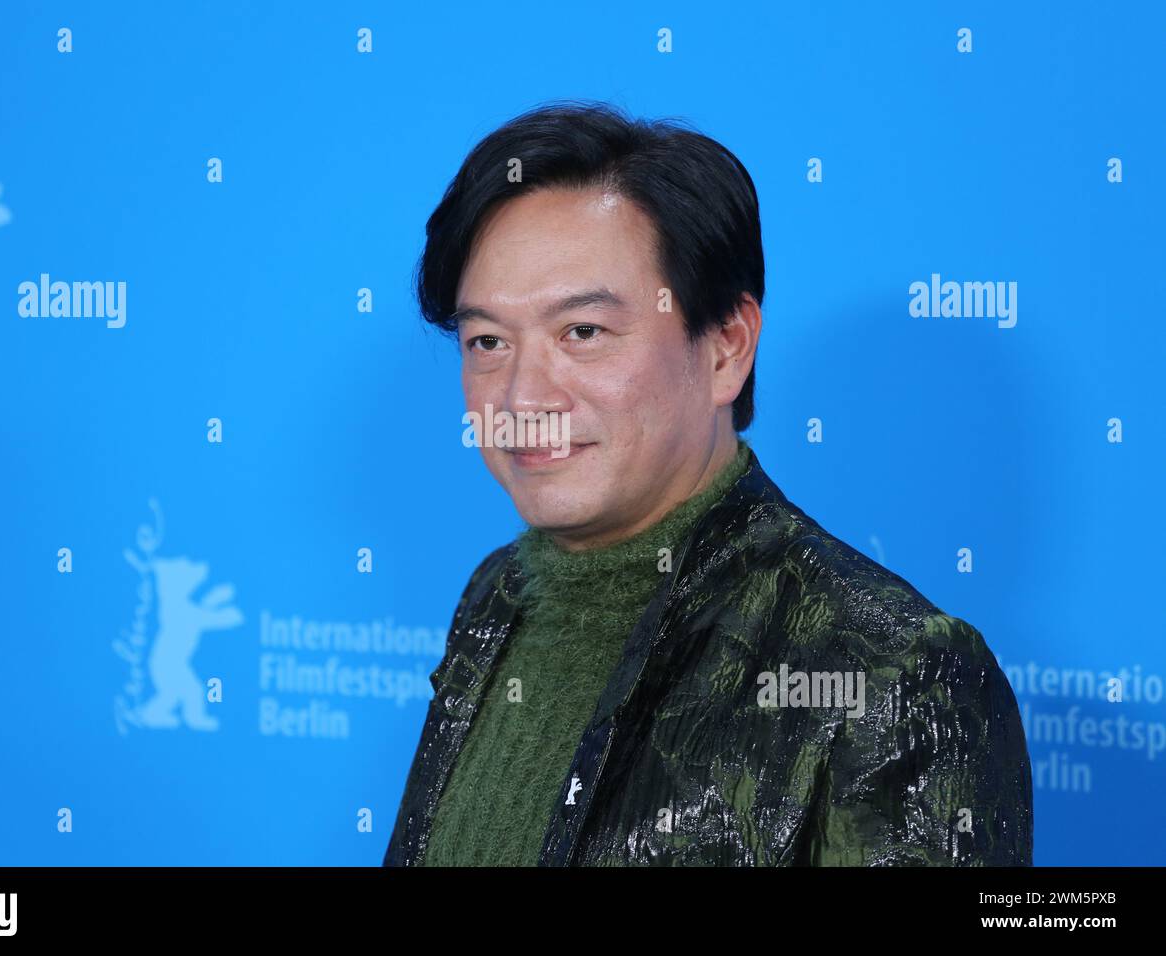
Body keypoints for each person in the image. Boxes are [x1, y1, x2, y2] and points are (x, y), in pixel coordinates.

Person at [383, 100, 1033, 866]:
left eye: (582, 333)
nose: (524, 398)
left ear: (726, 347)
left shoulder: (889, 673)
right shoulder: (498, 596)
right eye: (487, 341)